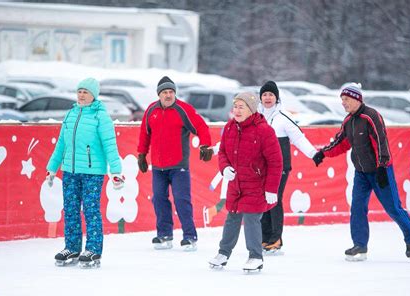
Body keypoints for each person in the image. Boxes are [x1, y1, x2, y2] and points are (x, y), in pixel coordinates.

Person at [312, 83, 410, 262]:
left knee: (393, 207)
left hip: (380, 170)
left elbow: (381, 142)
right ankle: (360, 245)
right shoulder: (348, 121)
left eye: (346, 99)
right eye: (342, 100)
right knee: (357, 208)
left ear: (356, 98)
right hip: (361, 173)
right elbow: (340, 143)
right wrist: (323, 153)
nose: (343, 103)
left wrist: (382, 167)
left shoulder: (371, 116)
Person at [46, 77, 124, 268]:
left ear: (93, 95)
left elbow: (110, 146)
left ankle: (93, 250)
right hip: (70, 171)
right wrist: (52, 167)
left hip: (92, 172)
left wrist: (116, 171)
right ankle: (72, 247)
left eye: (85, 92)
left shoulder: (101, 117)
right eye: (79, 91)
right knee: (71, 210)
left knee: (90, 210)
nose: (81, 95)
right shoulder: (71, 114)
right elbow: (61, 144)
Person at [208, 91, 283, 272]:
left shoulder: (264, 130)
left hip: (256, 184)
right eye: (235, 106)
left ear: (251, 109)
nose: (237, 110)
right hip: (236, 184)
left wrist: (272, 189)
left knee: (251, 218)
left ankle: (255, 256)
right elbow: (223, 153)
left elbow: (276, 161)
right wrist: (225, 168)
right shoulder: (229, 128)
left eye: (242, 107)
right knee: (232, 217)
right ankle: (223, 253)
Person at [137, 76, 213, 251]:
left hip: (179, 166)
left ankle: (190, 237)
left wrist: (205, 145)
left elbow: (201, 127)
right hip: (158, 166)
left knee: (181, 200)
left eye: (171, 92)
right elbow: (144, 134)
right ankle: (164, 235)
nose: (168, 95)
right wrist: (142, 154)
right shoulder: (151, 111)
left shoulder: (183, 110)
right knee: (159, 199)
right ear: (159, 95)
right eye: (165, 92)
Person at [258, 81, 318, 253]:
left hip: (280, 166)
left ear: (276, 98)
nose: (268, 98)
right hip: (262, 167)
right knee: (263, 200)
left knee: (274, 198)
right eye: (265, 95)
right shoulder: (257, 117)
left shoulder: (283, 117)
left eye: (271, 95)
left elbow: (299, 138)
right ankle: (265, 237)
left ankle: (276, 239)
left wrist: (314, 154)